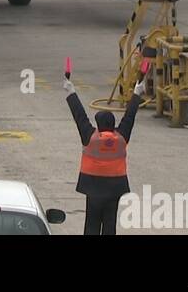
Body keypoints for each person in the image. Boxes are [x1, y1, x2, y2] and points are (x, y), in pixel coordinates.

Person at [62, 75, 145, 235]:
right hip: (114, 190)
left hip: (93, 190)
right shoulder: (121, 138)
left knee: (91, 227)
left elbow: (79, 115)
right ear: (113, 125)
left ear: (98, 125)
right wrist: (137, 93)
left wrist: (70, 91)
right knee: (109, 227)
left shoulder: (90, 137)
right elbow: (129, 117)